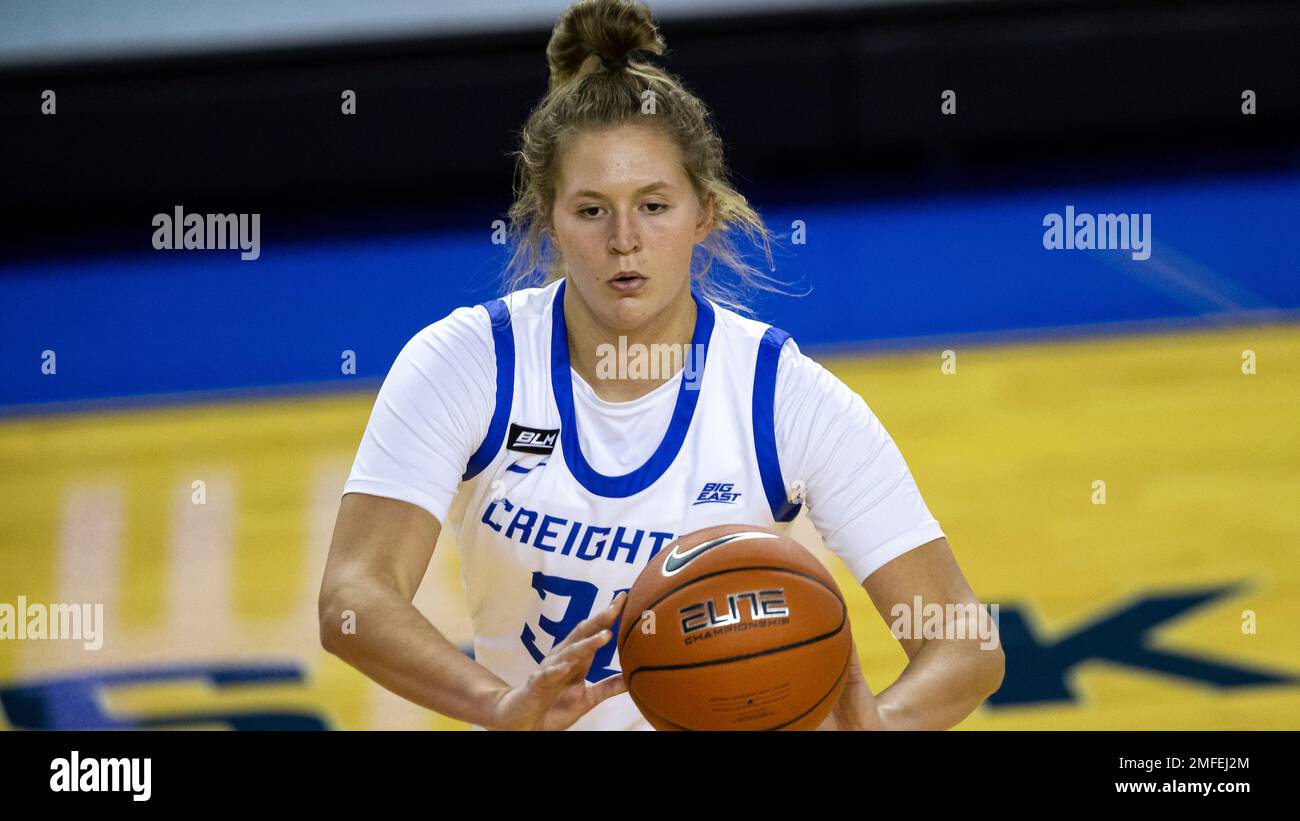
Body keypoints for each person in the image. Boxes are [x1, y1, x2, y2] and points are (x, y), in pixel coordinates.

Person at [318, 0, 1003, 731]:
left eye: (653, 205)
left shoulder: (782, 397)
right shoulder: (466, 364)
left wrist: (882, 723)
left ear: (704, 212)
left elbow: (965, 641)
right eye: (591, 210)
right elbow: (354, 595)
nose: (624, 241)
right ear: (548, 215)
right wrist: (500, 703)